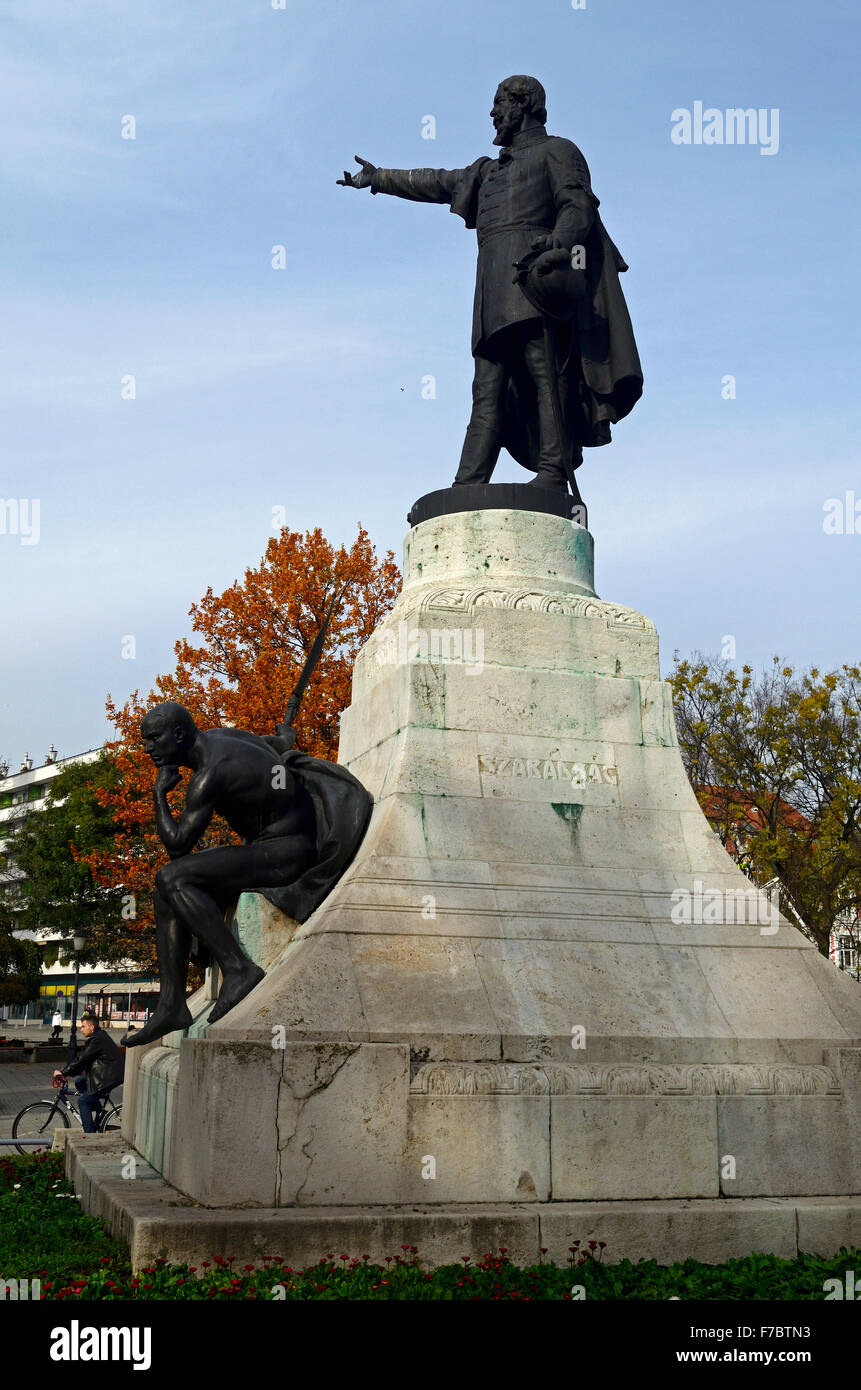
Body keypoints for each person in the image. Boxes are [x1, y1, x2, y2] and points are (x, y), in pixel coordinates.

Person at [338, 75, 642, 492]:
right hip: (492, 297)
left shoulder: (558, 151)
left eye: (500, 103)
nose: (493, 113)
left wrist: (557, 243)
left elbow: (578, 207)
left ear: (525, 104)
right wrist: (379, 178)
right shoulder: (487, 172)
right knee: (487, 392)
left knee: (546, 378)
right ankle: (468, 484)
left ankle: (553, 474)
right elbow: (438, 182)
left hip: (536, 286)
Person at [123, 701, 372, 1048]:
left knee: (172, 876)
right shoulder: (220, 737)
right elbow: (275, 744)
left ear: (178, 735)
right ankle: (171, 1005)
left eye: (153, 739)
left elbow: (178, 845)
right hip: (272, 846)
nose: (148, 748)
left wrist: (159, 796)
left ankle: (238, 969)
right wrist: (285, 737)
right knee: (164, 886)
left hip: (288, 852)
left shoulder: (208, 774)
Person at [53, 1012, 125, 1133]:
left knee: (83, 1101)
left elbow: (83, 1059)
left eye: (83, 1026)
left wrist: (63, 1072)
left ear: (91, 1028)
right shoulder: (98, 1036)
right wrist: (69, 1071)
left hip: (109, 1077)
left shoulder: (97, 1039)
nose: (80, 1029)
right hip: (106, 1073)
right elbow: (84, 1060)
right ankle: (99, 1108)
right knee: (80, 1083)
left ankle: (90, 1135)